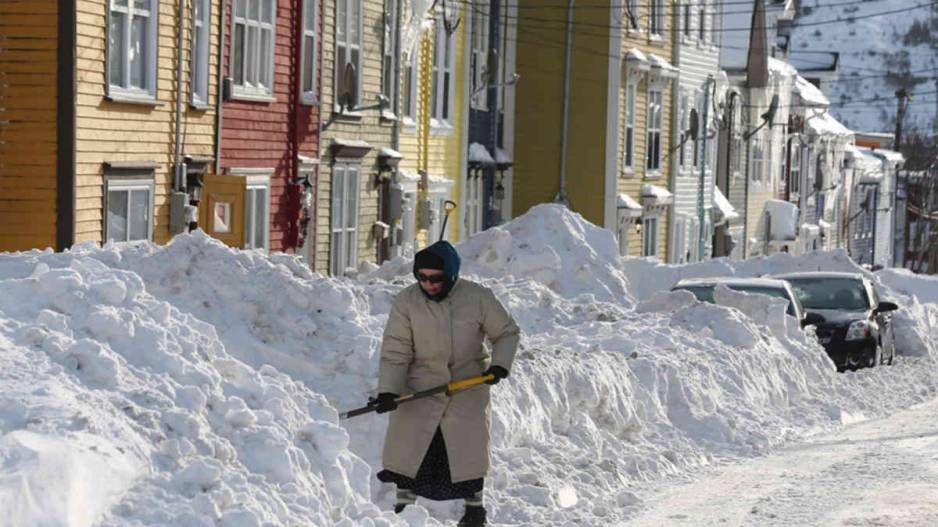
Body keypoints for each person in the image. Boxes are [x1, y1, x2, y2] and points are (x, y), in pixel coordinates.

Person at [371, 240, 520, 527]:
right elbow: (396, 350)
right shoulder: (407, 302)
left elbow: (507, 332)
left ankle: (475, 511)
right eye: (422, 277)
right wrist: (389, 390)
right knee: (411, 451)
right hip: (420, 388)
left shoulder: (477, 298)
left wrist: (500, 365)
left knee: (466, 453)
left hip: (468, 384)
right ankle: (404, 513)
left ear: (451, 275)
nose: (428, 284)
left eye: (435, 278)